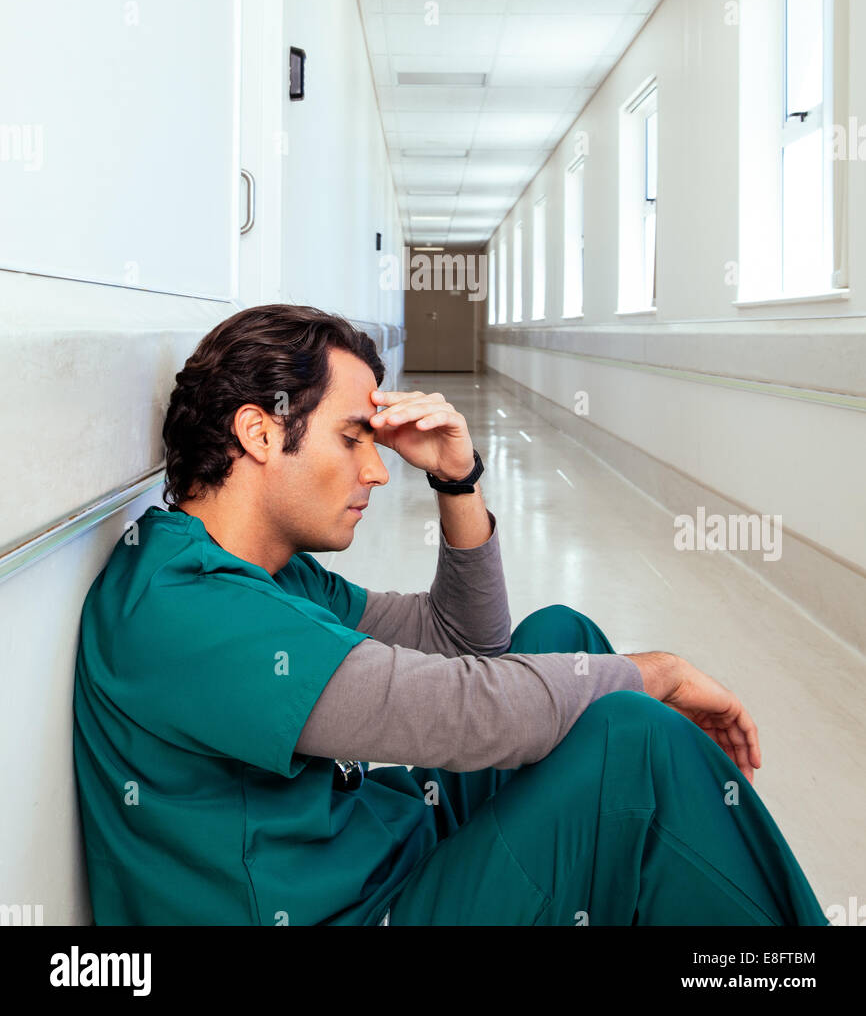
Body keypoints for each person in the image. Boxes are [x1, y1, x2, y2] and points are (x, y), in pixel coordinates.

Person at [72, 303, 829, 927]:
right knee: (630, 739)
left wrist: (457, 479)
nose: (376, 469)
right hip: (362, 913)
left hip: (383, 852)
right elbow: (467, 711)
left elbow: (467, 642)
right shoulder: (188, 612)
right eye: (352, 440)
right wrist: (654, 674)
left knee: (557, 635)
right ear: (260, 431)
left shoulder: (266, 572)